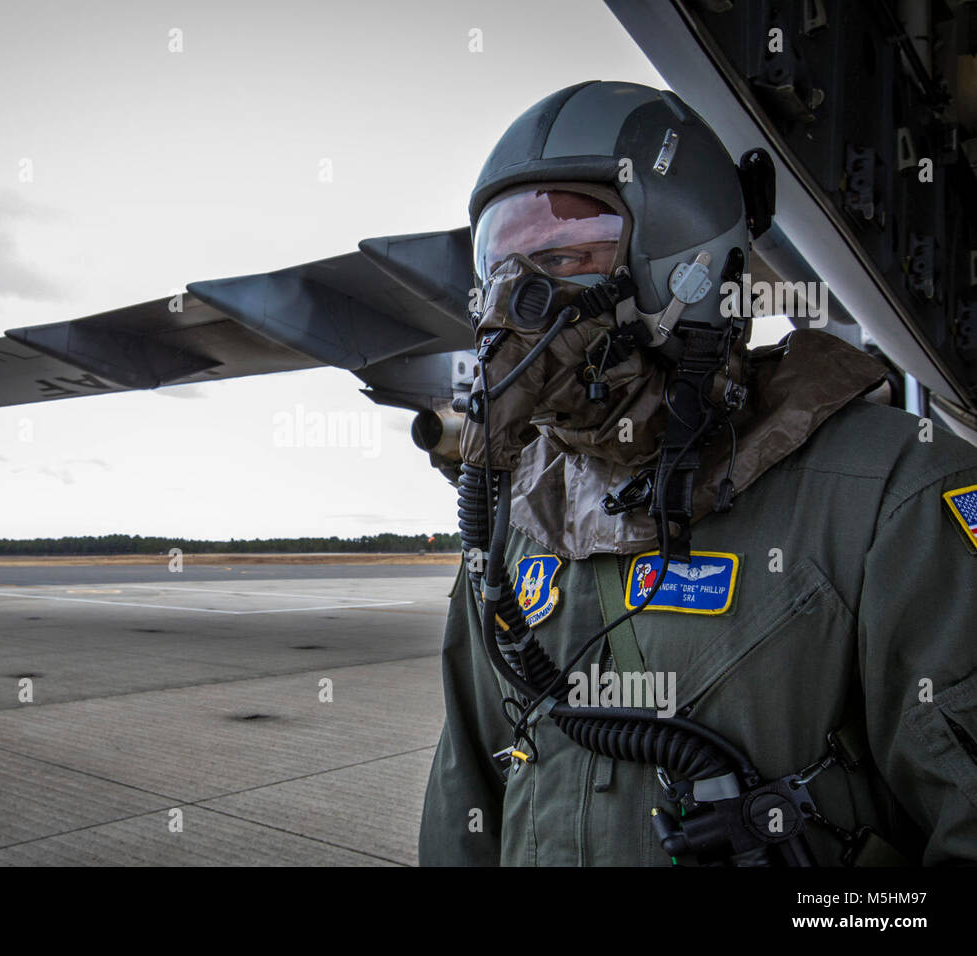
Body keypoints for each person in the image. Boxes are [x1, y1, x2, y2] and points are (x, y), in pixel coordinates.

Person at [418, 80, 977, 866]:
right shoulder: (518, 515)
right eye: (499, 268)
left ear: (684, 264)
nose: (517, 303)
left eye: (567, 256)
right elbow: (465, 794)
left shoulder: (891, 493)